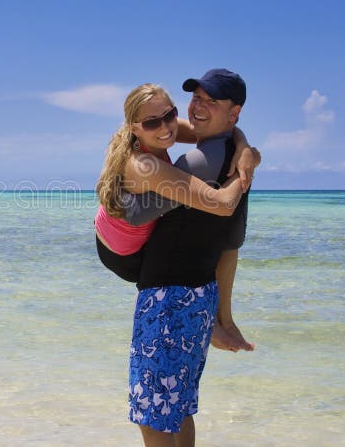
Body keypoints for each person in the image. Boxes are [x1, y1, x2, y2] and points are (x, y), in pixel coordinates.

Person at [127, 69, 255, 447]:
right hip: (198, 296)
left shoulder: (193, 165)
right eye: (197, 97)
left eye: (211, 102)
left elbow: (132, 213)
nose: (198, 107)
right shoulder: (231, 156)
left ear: (234, 113)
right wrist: (222, 316)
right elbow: (230, 246)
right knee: (179, 407)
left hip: (167, 302)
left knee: (153, 415)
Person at [94, 82, 259, 351]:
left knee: (219, 228)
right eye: (151, 123)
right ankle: (211, 325)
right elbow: (225, 203)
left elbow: (221, 130)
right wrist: (246, 168)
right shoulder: (145, 165)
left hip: (131, 232)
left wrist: (243, 148)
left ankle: (224, 319)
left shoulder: (164, 127)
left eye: (169, 115)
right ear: (134, 128)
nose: (165, 127)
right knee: (211, 212)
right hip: (122, 255)